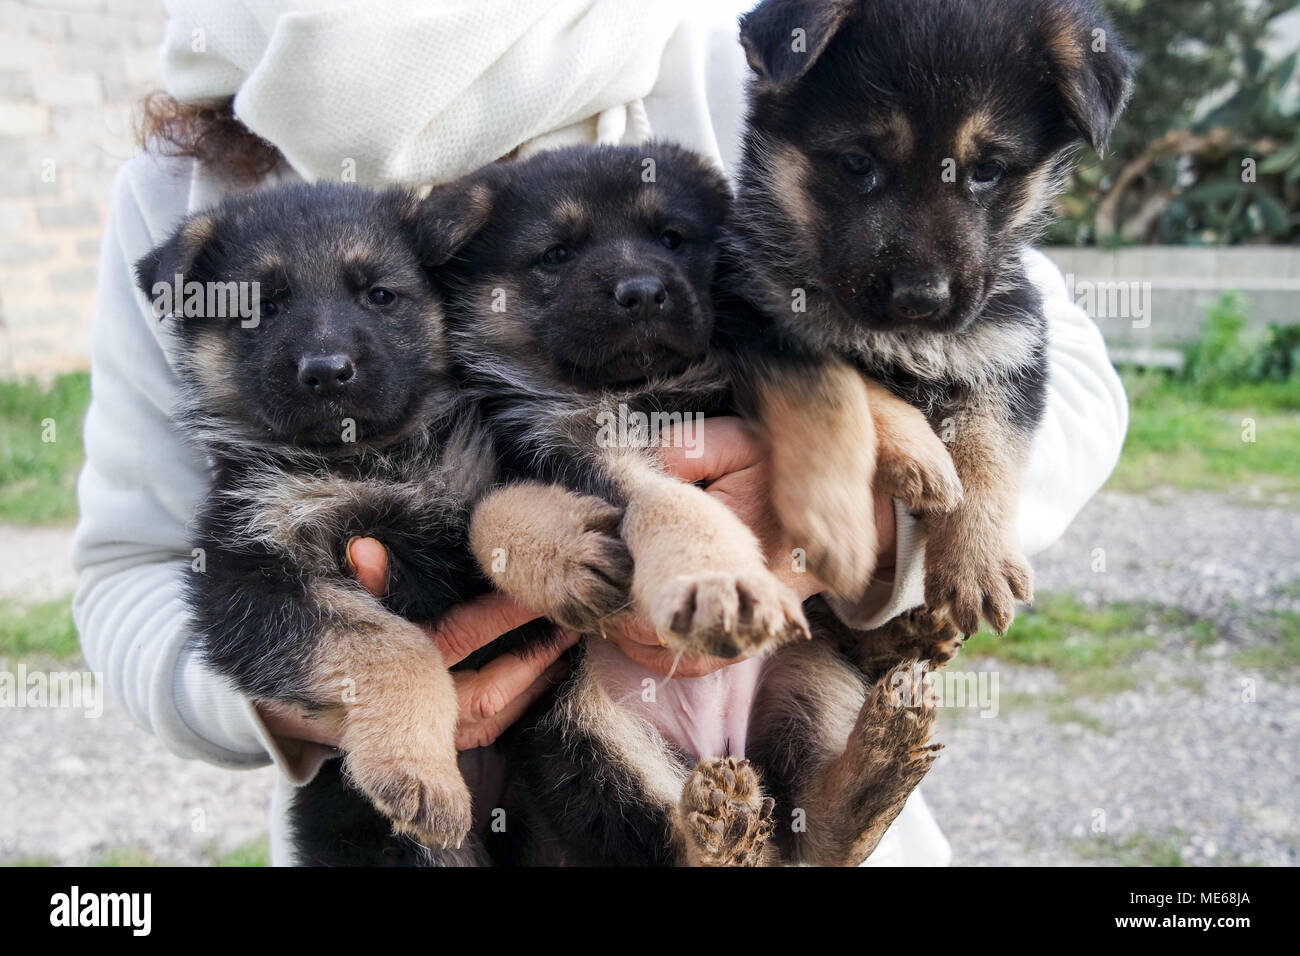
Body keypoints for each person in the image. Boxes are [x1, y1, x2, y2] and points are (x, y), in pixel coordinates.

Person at [72, 0, 1127, 867]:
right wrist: (317, 687)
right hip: (448, 808)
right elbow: (129, 570)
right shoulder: (181, 182)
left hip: (791, 722)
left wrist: (852, 513)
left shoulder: (739, 51)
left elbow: (1059, 372)